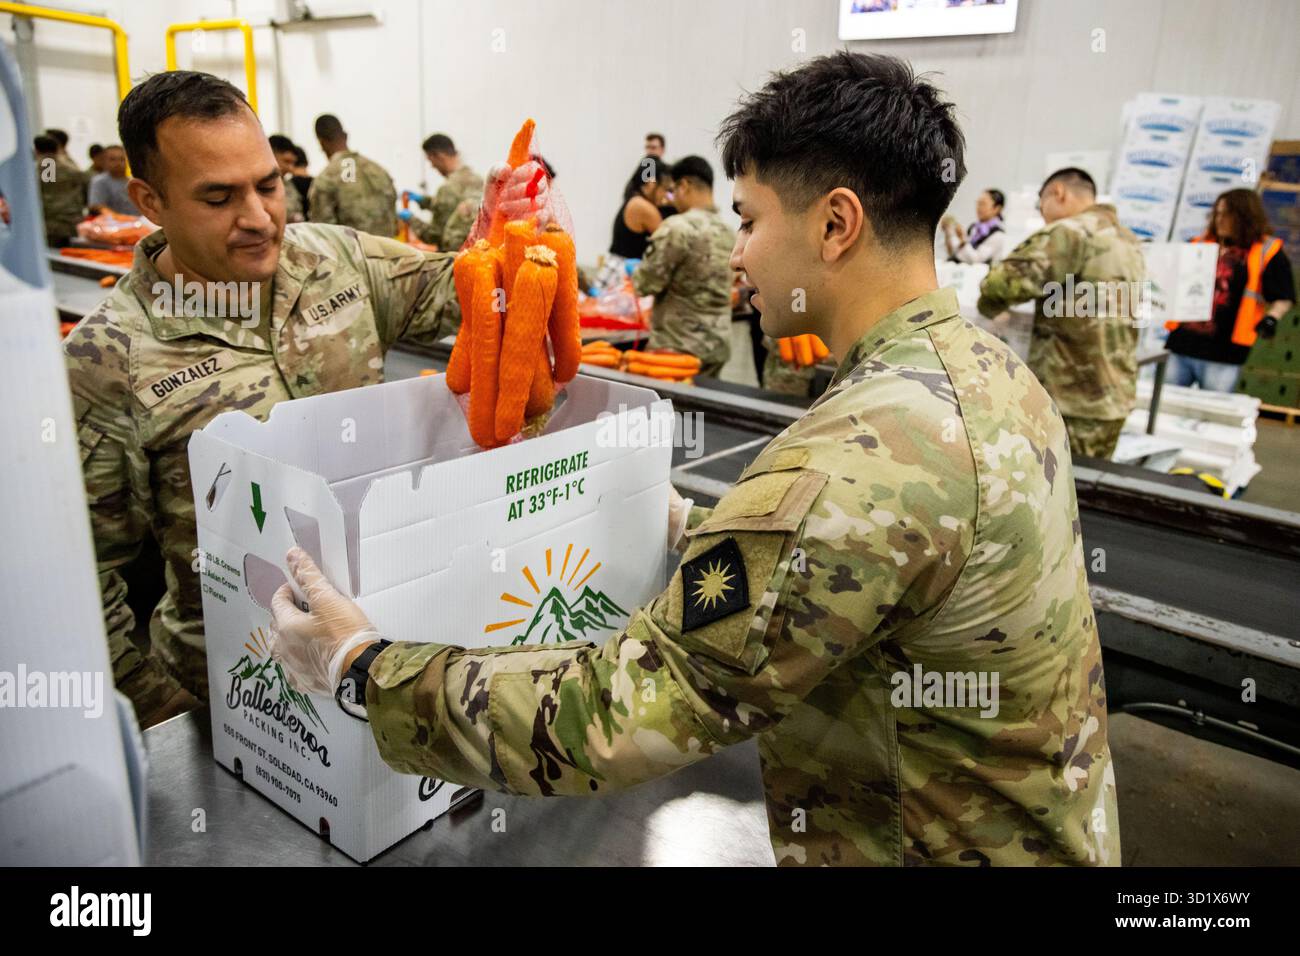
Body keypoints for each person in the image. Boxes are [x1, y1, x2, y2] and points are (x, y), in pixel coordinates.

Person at [267, 51, 1119, 868]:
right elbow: (877, 568)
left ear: (835, 223)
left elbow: (622, 712)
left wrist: (368, 668)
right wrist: (702, 526)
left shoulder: (856, 459)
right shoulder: (986, 372)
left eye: (748, 221)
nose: (737, 252)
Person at [62, 71, 537, 726]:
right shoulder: (107, 359)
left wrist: (496, 229)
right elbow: (78, 577)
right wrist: (159, 716)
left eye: (268, 185)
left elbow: (460, 291)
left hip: (377, 652)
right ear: (150, 199)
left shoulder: (335, 259)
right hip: (233, 688)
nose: (258, 218)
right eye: (219, 197)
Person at [977, 168, 1144, 460]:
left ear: (1058, 192)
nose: (1042, 215)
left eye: (1041, 204)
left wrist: (987, 306)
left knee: (1055, 491)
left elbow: (1001, 283)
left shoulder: (1071, 232)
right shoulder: (1128, 240)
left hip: (1071, 398)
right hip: (1113, 398)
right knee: (1089, 491)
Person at [1164, 188, 1294, 392]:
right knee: (1164, 406)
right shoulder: (1199, 244)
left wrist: (1272, 318)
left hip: (1225, 352)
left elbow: (1284, 296)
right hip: (1182, 344)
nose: (1220, 220)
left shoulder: (1266, 251)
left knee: (1212, 413)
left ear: (1245, 216)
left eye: (1227, 214)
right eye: (1217, 213)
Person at [632, 155, 736, 376]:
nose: (671, 198)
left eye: (672, 190)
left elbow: (645, 284)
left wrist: (636, 273)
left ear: (684, 185)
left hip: (676, 347)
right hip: (716, 347)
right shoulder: (730, 232)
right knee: (700, 410)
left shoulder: (677, 228)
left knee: (669, 410)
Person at [308, 113, 398, 237]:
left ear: (322, 142)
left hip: (351, 255)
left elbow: (323, 235)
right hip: (388, 253)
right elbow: (394, 221)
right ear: (346, 136)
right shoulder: (380, 171)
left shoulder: (326, 178)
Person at [400, 133, 483, 251]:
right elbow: (453, 206)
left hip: (454, 258)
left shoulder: (447, 189)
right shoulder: (478, 180)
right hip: (478, 252)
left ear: (439, 156)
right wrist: (424, 201)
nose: (432, 166)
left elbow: (435, 235)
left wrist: (410, 219)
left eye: (431, 160)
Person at [609, 155, 673, 261]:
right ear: (651, 184)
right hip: (623, 271)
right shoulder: (641, 206)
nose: (665, 196)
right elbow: (668, 243)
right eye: (665, 189)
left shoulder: (634, 200)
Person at [33, 134, 87, 246]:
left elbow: (48, 194)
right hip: (73, 221)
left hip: (54, 224)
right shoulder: (69, 163)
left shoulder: (48, 165)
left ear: (37, 149)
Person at [941, 187, 1006, 263]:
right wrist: (948, 233)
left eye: (983, 204)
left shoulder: (998, 235)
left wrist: (962, 239)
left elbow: (976, 260)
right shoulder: (974, 228)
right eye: (978, 203)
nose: (978, 208)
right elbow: (955, 253)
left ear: (997, 208)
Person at [87, 144, 141, 216]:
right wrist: (121, 219)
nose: (118, 163)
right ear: (104, 161)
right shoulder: (99, 181)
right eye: (112, 159)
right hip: (114, 224)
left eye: (122, 159)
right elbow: (98, 207)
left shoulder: (132, 181)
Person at [268, 134, 305, 222]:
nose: (291, 168)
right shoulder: (253, 185)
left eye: (293, 163)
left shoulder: (289, 185)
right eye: (286, 161)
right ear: (271, 155)